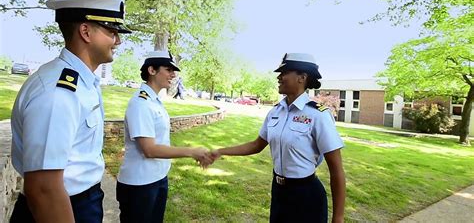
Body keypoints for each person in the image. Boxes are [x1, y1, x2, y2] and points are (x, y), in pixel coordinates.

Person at [10, 0, 132, 223]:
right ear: (85, 32)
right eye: (111, 31)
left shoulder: (80, 82)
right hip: (59, 207)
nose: (118, 41)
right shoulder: (57, 93)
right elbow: (44, 190)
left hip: (80, 202)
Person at [212, 53, 346, 223]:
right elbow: (256, 145)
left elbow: (336, 170)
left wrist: (338, 218)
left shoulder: (318, 115)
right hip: (279, 192)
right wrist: (220, 151)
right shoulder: (276, 112)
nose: (279, 77)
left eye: (284, 72)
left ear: (302, 78)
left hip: (307, 196)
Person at [116, 50, 213, 223]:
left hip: (157, 178)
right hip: (140, 184)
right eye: (168, 69)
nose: (173, 74)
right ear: (152, 70)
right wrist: (192, 152)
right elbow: (149, 150)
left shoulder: (154, 101)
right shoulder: (141, 103)